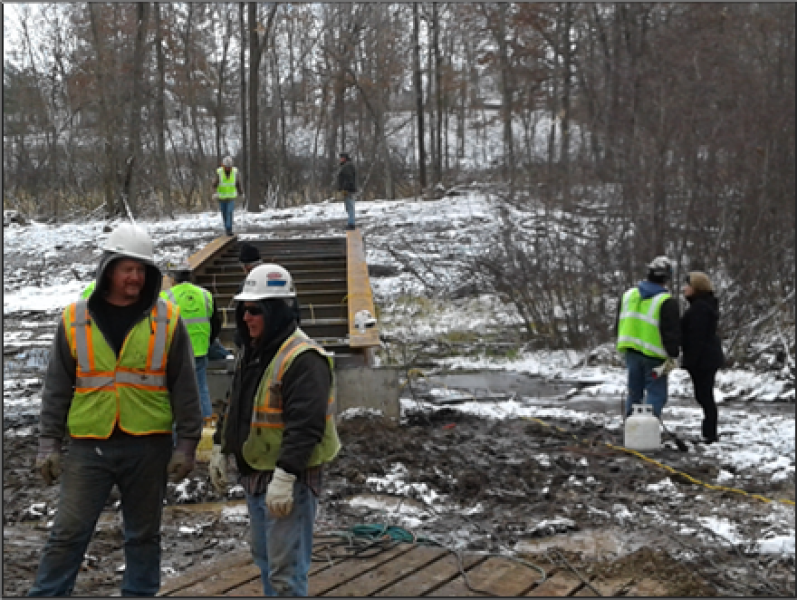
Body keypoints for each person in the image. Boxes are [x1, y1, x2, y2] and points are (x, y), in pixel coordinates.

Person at [29, 223, 203, 597]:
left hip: (148, 444)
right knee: (68, 534)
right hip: (88, 445)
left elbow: (185, 385)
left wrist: (187, 442)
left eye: (142, 270)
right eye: (128, 269)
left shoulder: (167, 319)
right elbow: (57, 387)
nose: (136, 278)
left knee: (143, 536)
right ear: (108, 269)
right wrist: (48, 443)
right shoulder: (74, 318)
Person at [209, 264, 340, 596]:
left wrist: (285, 476)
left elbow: (306, 425)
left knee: (286, 572)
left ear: (277, 310)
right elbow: (237, 403)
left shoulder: (302, 358)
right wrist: (221, 447)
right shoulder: (253, 353)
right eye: (243, 310)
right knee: (266, 561)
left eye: (255, 310)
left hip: (287, 478)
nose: (247, 318)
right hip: (256, 473)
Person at [616, 256, 681, 418]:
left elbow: (619, 321)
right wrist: (673, 354)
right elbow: (670, 332)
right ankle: (647, 432)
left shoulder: (629, 295)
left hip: (631, 352)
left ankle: (631, 430)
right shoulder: (666, 301)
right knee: (656, 395)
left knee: (634, 393)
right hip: (655, 357)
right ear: (667, 278)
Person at [162, 265, 221, 420]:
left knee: (176, 388)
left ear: (174, 279)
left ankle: (180, 424)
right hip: (200, 349)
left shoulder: (166, 296)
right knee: (201, 387)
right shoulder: (205, 294)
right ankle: (206, 422)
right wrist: (207, 341)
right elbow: (216, 323)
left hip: (176, 351)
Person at [681, 271, 725, 443]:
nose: (684, 289)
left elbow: (696, 337)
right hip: (707, 357)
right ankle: (709, 432)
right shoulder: (703, 305)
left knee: (704, 396)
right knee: (704, 396)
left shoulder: (700, 308)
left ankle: (710, 434)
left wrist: (691, 361)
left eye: (688, 285)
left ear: (696, 288)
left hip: (704, 359)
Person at [233, 243, 264, 350]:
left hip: (253, 344)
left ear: (246, 267)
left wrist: (241, 341)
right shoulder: (276, 282)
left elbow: (240, 318)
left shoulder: (245, 286)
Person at [212, 156, 245, 236]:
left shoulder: (235, 172)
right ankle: (227, 228)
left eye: (229, 167)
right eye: (226, 167)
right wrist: (214, 193)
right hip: (222, 197)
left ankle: (229, 229)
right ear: (223, 166)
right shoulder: (219, 172)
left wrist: (241, 193)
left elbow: (238, 183)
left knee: (229, 212)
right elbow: (214, 184)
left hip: (231, 197)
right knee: (224, 214)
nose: (228, 168)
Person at [336, 152, 357, 230]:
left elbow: (349, 178)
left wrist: (345, 188)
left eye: (341, 158)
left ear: (344, 158)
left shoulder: (347, 166)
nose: (340, 159)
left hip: (348, 189)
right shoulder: (346, 166)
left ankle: (351, 224)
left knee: (350, 206)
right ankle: (350, 222)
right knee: (348, 207)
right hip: (348, 189)